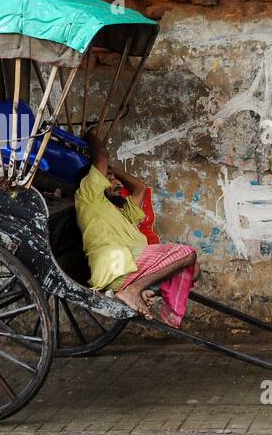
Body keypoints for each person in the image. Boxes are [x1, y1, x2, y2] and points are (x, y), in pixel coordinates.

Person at [74, 131, 198, 326]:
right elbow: (102, 156)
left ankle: (146, 291)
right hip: (117, 267)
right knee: (186, 255)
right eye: (108, 177)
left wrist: (113, 170)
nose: (116, 182)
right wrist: (89, 135)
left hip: (132, 264)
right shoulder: (88, 196)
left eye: (114, 178)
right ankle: (132, 291)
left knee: (194, 268)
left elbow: (140, 188)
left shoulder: (120, 211)